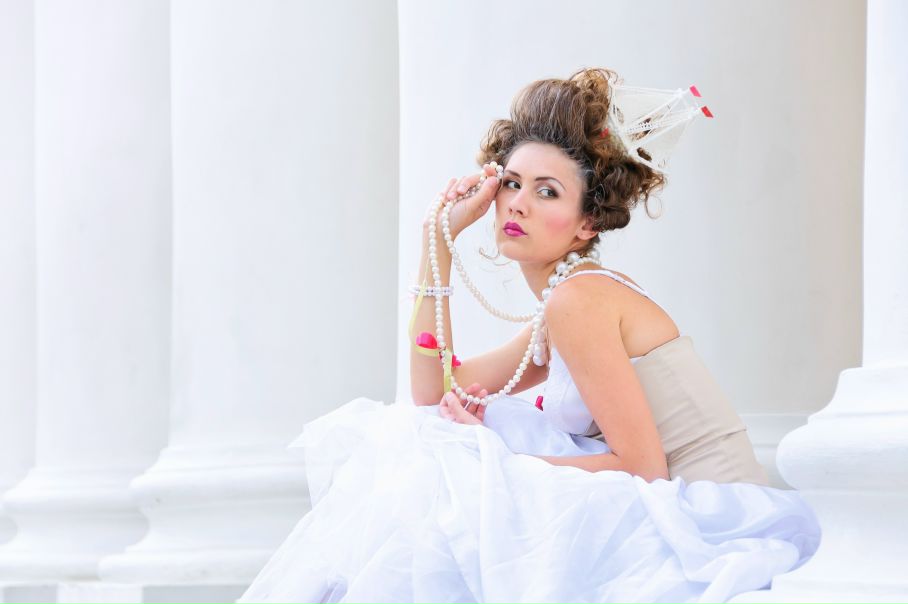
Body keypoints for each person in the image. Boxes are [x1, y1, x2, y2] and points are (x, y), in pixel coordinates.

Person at [236, 68, 820, 604]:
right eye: (512, 183)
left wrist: (497, 459)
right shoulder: (566, 300)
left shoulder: (579, 300)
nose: (517, 204)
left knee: (453, 464)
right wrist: (437, 241)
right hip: (675, 505)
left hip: (704, 517)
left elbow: (643, 467)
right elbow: (432, 392)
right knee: (433, 439)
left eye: (547, 192)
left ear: (587, 222)